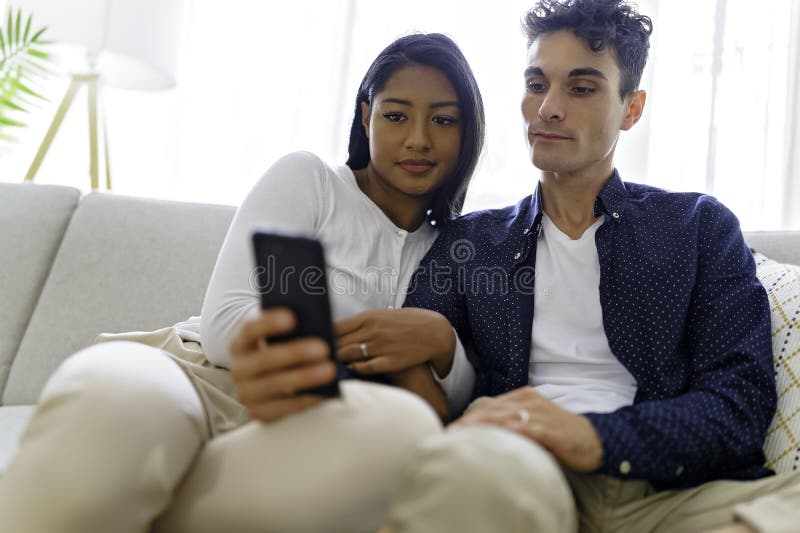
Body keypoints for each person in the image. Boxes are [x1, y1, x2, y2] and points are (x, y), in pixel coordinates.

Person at [0, 33, 485, 533]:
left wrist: (441, 342)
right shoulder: (313, 181)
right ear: (366, 117)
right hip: (199, 375)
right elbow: (225, 326)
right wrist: (371, 344)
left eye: (443, 120)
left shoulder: (462, 245)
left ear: (467, 130)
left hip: (311, 423)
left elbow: (451, 400)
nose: (418, 139)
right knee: (119, 416)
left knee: (392, 444)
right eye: (396, 115)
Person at [347, 1, 800, 532]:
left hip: (673, 485)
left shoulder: (697, 227)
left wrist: (595, 437)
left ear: (631, 109)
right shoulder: (470, 241)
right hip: (521, 469)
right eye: (537, 85)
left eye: (581, 88)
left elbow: (738, 402)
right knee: (466, 479)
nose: (548, 109)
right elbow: (415, 387)